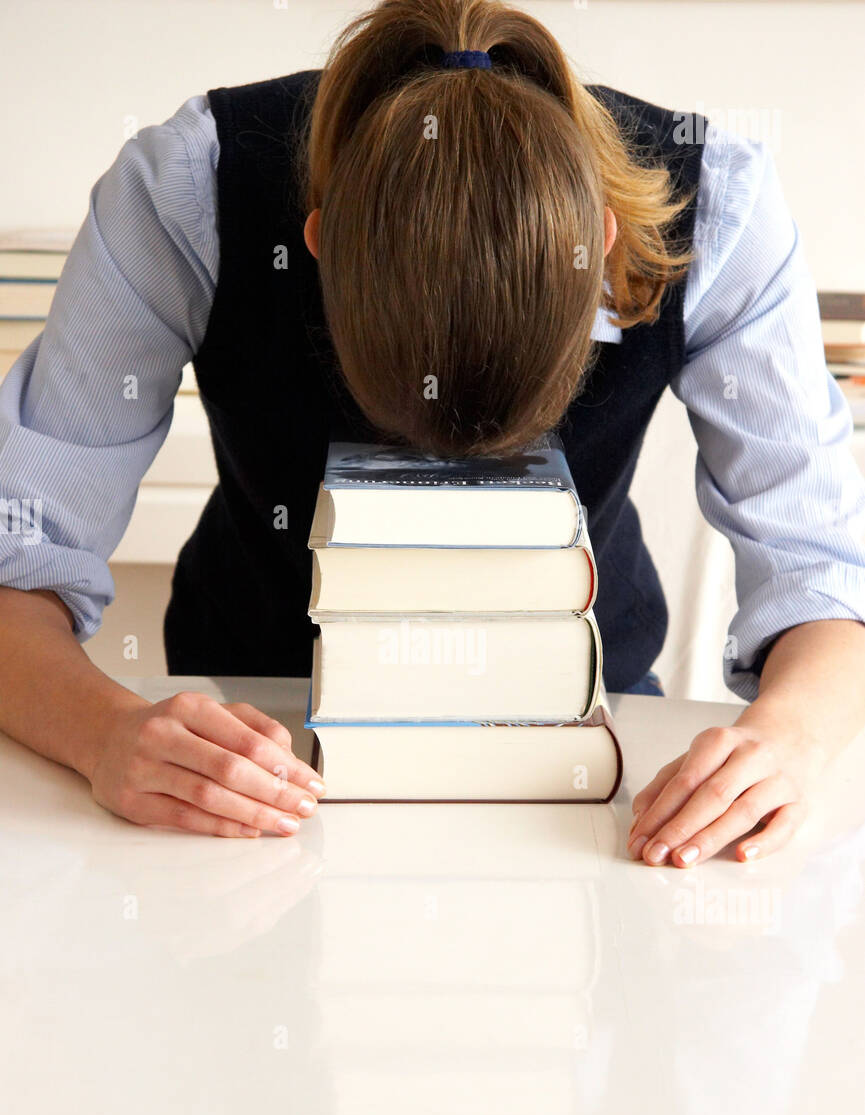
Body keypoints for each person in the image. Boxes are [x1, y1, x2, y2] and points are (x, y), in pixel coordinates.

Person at [1, 0, 864, 864]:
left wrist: (795, 737)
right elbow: (19, 551)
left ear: (601, 244)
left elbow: (825, 561)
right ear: (319, 244)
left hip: (580, 713)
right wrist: (104, 732)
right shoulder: (189, 187)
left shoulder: (715, 205)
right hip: (255, 710)